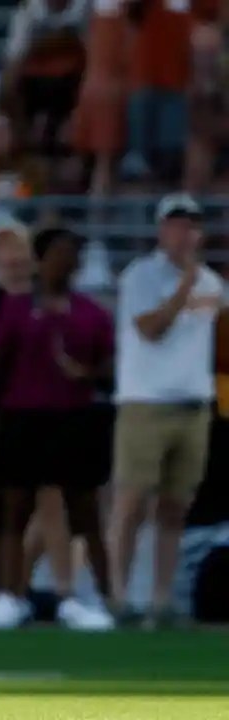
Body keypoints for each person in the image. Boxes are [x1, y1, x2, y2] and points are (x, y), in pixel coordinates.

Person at [0, 228, 116, 631]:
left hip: (74, 418)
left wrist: (83, 371)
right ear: (39, 259)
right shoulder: (16, 308)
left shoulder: (91, 312)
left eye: (71, 254)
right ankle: (9, 598)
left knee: (83, 511)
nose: (63, 262)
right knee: (14, 509)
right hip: (23, 417)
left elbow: (108, 366)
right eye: (56, 254)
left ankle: (95, 597)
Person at [110, 194, 224, 627]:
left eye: (192, 224)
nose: (185, 232)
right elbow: (151, 329)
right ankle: (119, 596)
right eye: (177, 224)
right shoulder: (141, 276)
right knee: (131, 501)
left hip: (193, 405)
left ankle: (161, 599)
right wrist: (185, 284)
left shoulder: (212, 284)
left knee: (176, 507)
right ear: (162, 230)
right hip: (146, 402)